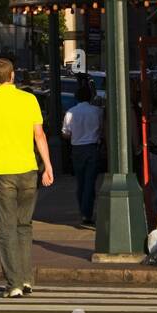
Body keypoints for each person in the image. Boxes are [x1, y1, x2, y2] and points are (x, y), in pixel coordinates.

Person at [0, 58, 53, 299]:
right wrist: (47, 166)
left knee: (6, 228)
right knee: (24, 226)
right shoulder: (29, 100)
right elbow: (39, 135)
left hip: (3, 172)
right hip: (28, 170)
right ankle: (27, 278)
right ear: (12, 76)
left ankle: (14, 283)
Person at [62, 83, 104, 227]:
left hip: (77, 148)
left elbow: (66, 134)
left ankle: (83, 211)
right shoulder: (97, 111)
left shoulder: (70, 112)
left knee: (80, 182)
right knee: (90, 182)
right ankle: (87, 212)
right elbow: (102, 128)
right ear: (91, 97)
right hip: (92, 147)